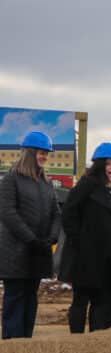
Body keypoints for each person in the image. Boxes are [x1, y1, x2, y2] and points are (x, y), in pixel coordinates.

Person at [61, 143, 111, 333]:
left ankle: (95, 342)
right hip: (85, 259)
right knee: (81, 301)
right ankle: (76, 341)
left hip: (108, 261)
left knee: (101, 304)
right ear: (100, 165)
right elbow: (69, 214)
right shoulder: (87, 186)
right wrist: (79, 242)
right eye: (108, 164)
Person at [0, 132, 61, 339]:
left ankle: (27, 344)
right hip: (15, 254)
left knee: (30, 299)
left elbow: (56, 214)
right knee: (15, 300)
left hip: (37, 253)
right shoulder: (11, 179)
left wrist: (51, 238)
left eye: (46, 153)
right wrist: (31, 240)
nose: (44, 157)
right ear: (30, 153)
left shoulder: (45, 183)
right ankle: (12, 348)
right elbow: (8, 213)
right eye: (42, 153)